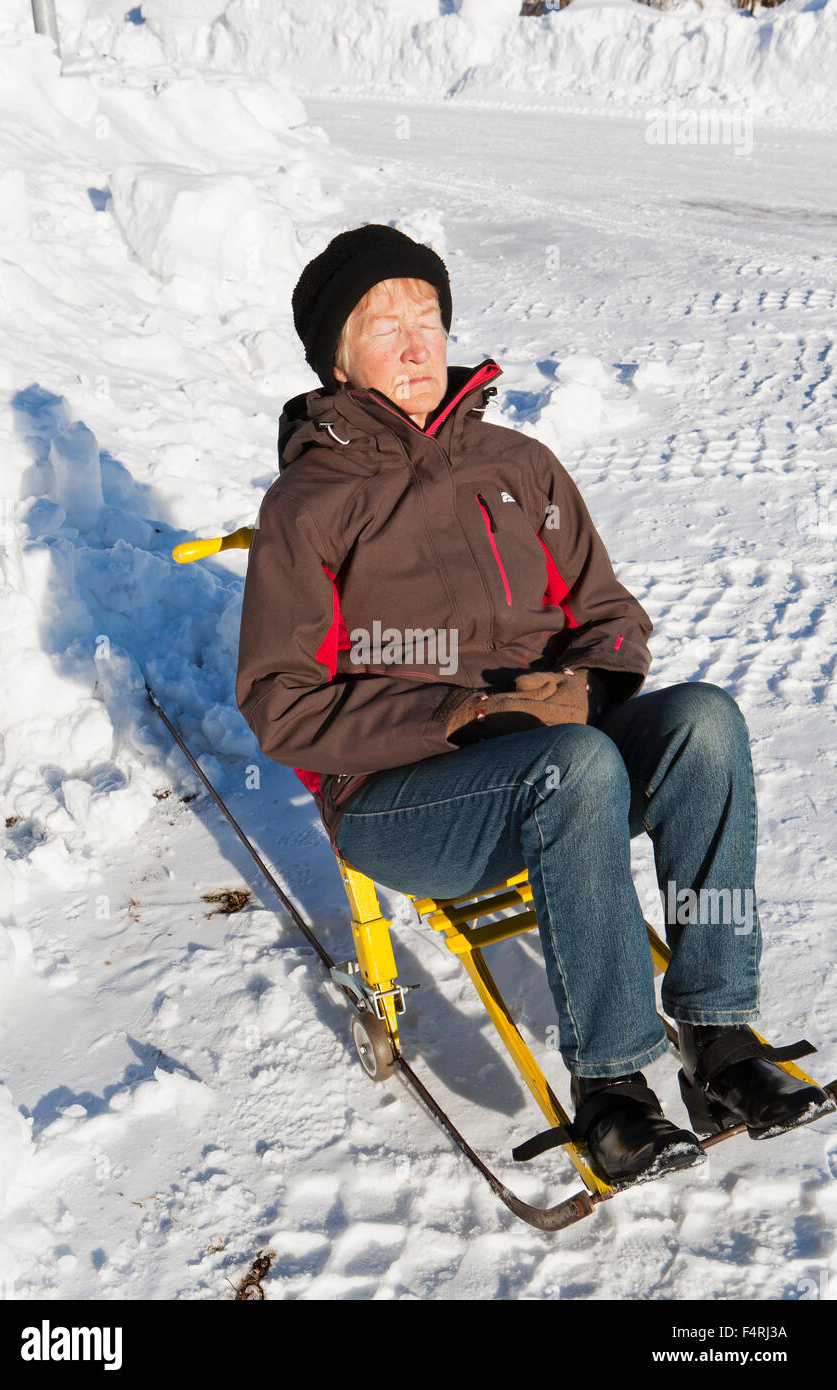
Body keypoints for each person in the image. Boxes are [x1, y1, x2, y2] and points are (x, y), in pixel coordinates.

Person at [236, 224, 834, 1185]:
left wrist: (584, 687)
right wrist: (456, 717)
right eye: (384, 323)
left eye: (427, 315)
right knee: (581, 765)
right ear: (336, 359)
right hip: (405, 799)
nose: (417, 341)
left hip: (557, 749)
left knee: (705, 724)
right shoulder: (307, 505)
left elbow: (609, 613)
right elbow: (282, 703)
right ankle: (612, 1089)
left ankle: (720, 1040)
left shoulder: (518, 463)